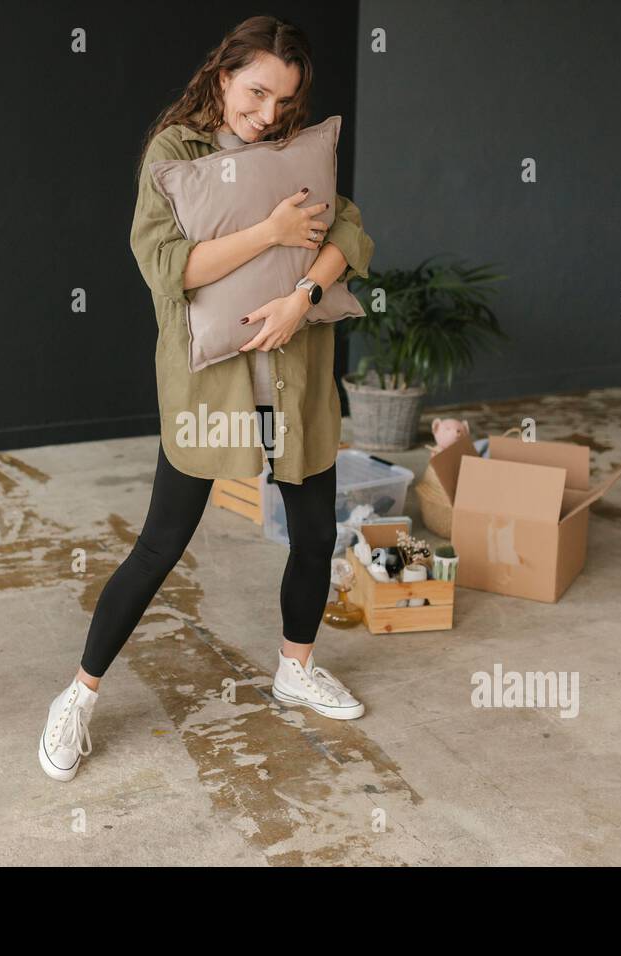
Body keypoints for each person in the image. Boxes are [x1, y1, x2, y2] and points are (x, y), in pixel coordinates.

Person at [39, 14, 376, 782]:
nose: (267, 114)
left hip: (296, 371)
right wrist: (271, 230)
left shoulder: (295, 150)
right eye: (256, 94)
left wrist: (303, 295)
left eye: (284, 102)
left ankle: (296, 666)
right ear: (223, 75)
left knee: (315, 534)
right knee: (160, 546)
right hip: (210, 384)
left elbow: (350, 231)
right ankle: (79, 697)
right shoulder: (176, 153)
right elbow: (168, 267)